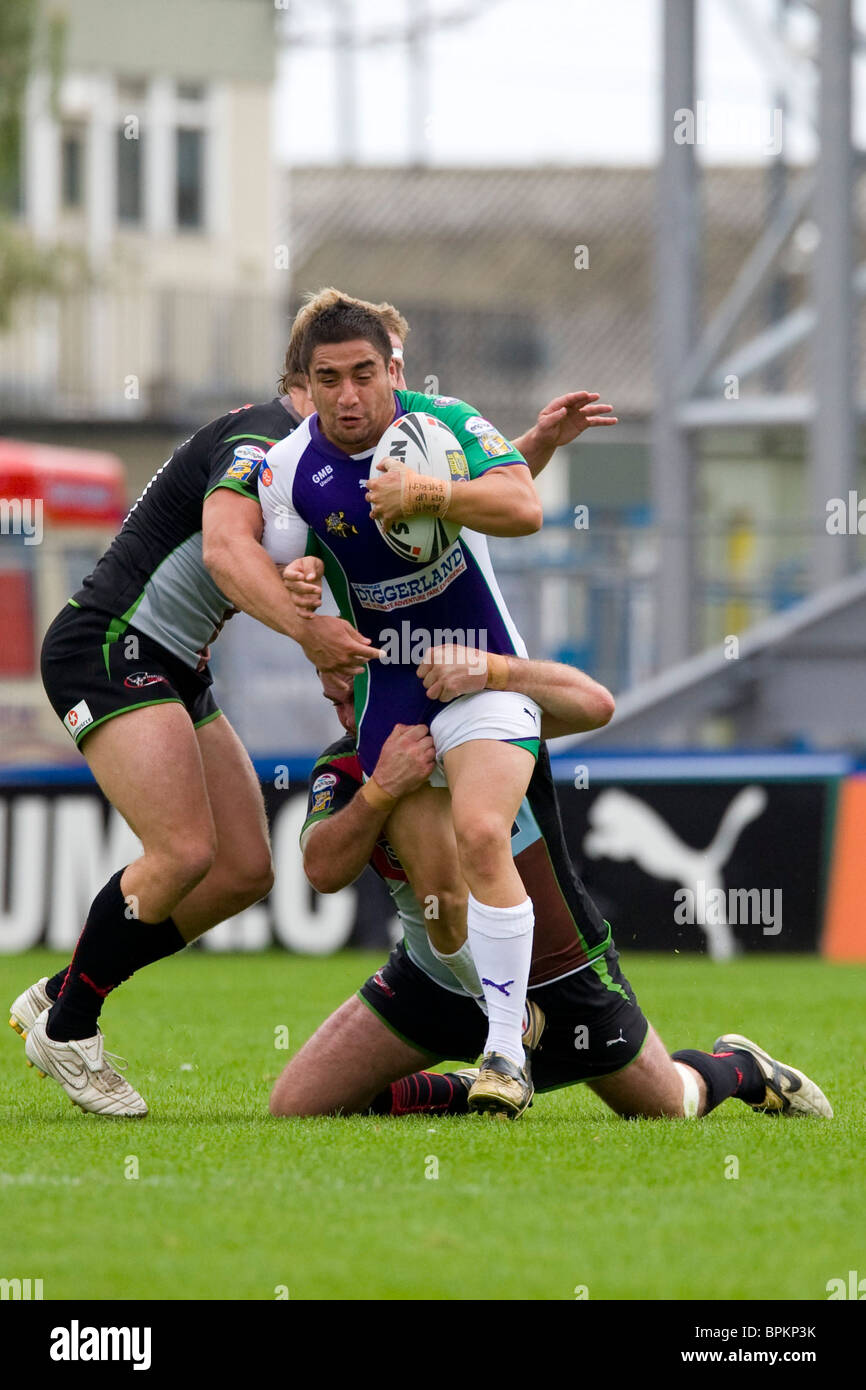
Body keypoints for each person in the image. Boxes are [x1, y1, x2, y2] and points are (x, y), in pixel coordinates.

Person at [269, 645, 833, 1125]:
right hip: (433, 977)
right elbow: (322, 869)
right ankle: (480, 1078)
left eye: (351, 697)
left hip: (558, 971)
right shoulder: (348, 764)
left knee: (668, 1106)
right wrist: (382, 791)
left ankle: (741, 1068)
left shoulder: (484, 721)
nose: (347, 718)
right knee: (299, 1105)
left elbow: (595, 703)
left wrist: (494, 669)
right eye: (333, 703)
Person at [9, 389, 377, 1116]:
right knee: (179, 851)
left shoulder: (312, 465)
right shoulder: (265, 437)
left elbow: (262, 567)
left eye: (380, 372)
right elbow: (223, 549)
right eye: (352, 373)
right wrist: (309, 637)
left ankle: (64, 990)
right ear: (312, 376)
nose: (365, 394)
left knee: (242, 868)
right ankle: (71, 1027)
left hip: (175, 664)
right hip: (111, 644)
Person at [245, 295, 563, 1118]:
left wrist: (432, 495)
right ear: (305, 386)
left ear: (393, 370)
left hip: (480, 669)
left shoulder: (448, 423)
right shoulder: (284, 469)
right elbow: (291, 571)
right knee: (441, 902)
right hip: (393, 690)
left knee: (483, 830)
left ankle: (501, 1058)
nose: (347, 396)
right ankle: (507, 1020)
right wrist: (301, 586)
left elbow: (524, 509)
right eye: (326, 381)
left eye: (362, 375)